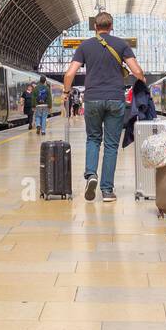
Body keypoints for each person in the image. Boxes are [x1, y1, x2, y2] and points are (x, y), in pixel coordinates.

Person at [60, 12, 145, 202]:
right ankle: (107, 190)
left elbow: (69, 74)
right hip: (115, 99)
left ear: (95, 27)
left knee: (93, 139)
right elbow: (137, 71)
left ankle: (91, 175)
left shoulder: (85, 46)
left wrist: (66, 93)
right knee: (111, 145)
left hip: (92, 99)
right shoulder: (121, 44)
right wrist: (142, 82)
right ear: (111, 26)